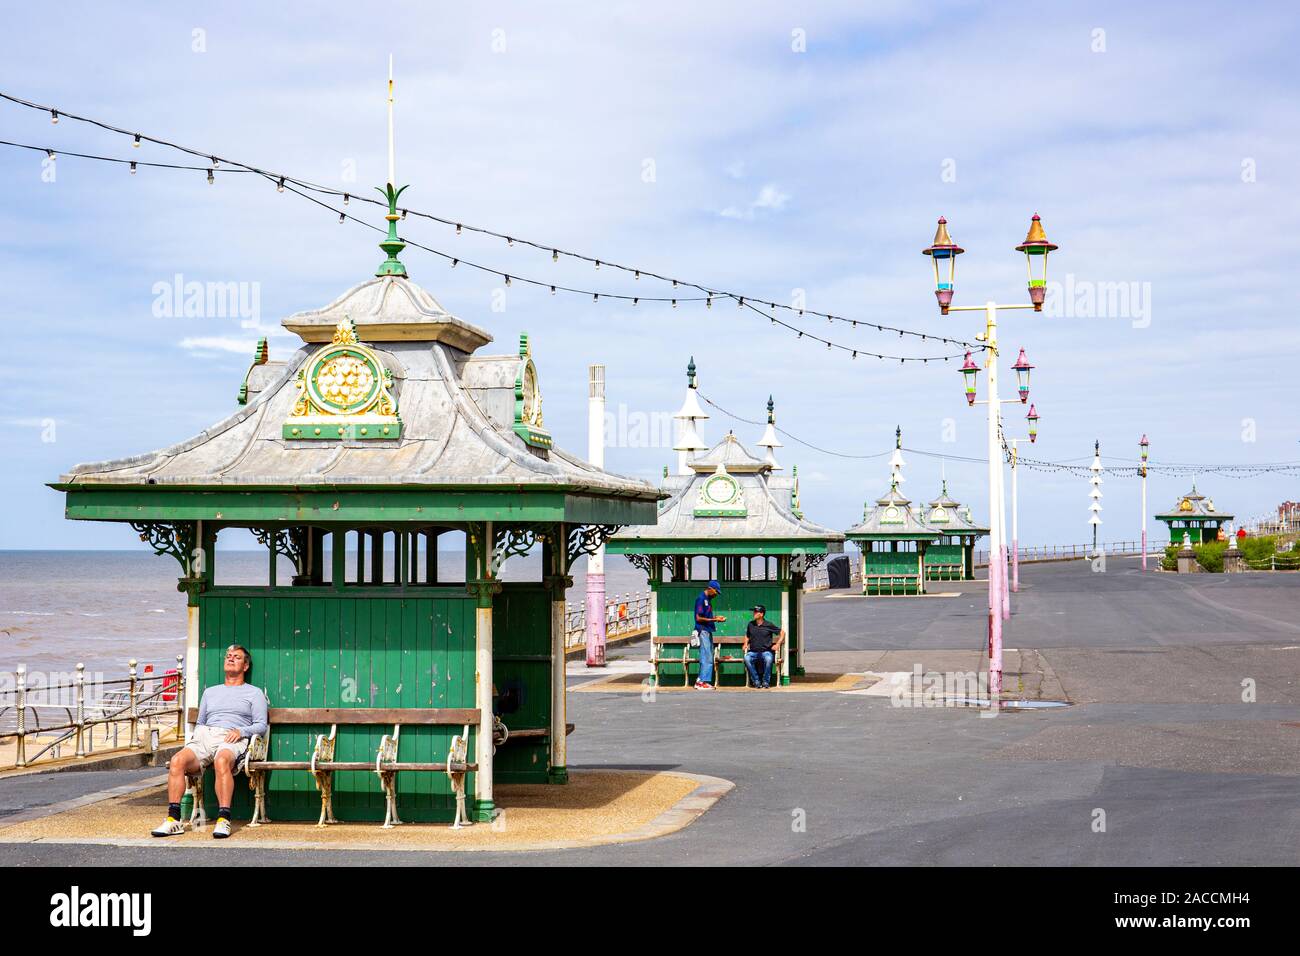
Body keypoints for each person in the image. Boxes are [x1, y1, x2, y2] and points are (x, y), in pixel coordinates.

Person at [151, 645, 268, 839]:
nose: (230, 659)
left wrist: (241, 731)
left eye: (236, 657)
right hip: (205, 736)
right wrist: (197, 739)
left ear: (245, 666)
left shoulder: (254, 693)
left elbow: (261, 725)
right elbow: (201, 723)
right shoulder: (210, 692)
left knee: (221, 760)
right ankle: (173, 820)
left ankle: (223, 819)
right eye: (228, 656)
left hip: (232, 737)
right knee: (177, 761)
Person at [693, 580, 725, 689]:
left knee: (706, 654)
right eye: (716, 591)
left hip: (707, 629)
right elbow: (698, 618)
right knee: (707, 656)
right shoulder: (701, 599)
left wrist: (715, 618)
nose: (716, 594)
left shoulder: (708, 599)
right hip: (703, 630)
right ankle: (703, 682)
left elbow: (705, 615)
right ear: (710, 588)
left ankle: (700, 680)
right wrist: (715, 620)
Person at [743, 605, 785, 689]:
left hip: (766, 651)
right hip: (753, 652)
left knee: (769, 659)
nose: (753, 613)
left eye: (755, 612)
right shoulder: (751, 624)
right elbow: (747, 635)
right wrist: (745, 643)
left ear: (761, 614)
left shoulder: (768, 624)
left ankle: (766, 682)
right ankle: (756, 681)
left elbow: (782, 633)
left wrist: (778, 644)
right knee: (746, 658)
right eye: (753, 611)